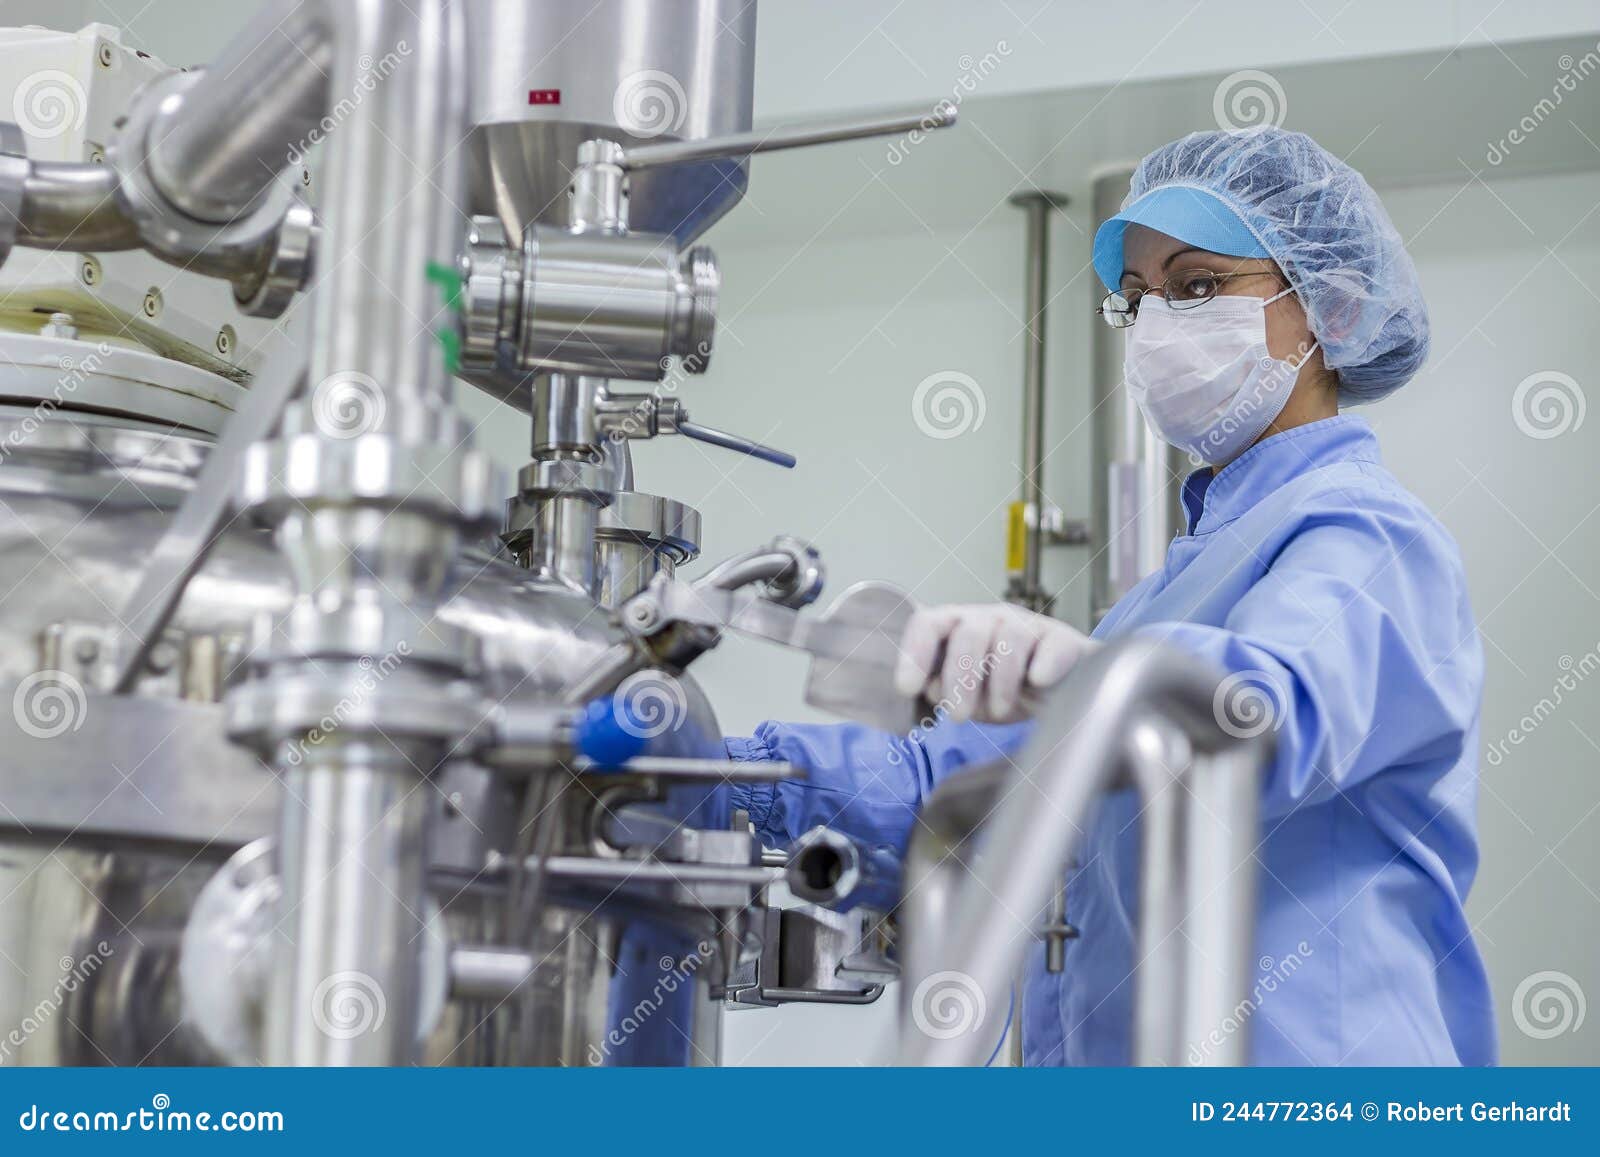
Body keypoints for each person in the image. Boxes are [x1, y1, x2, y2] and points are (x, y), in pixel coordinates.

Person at [725, 127, 1495, 1066]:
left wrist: (1090, 675)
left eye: (1199, 285)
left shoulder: (1371, 537)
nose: (1160, 321)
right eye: (1138, 298)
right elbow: (959, 787)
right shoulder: (1164, 597)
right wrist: (718, 772)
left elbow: (1264, 715)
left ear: (1328, 307)